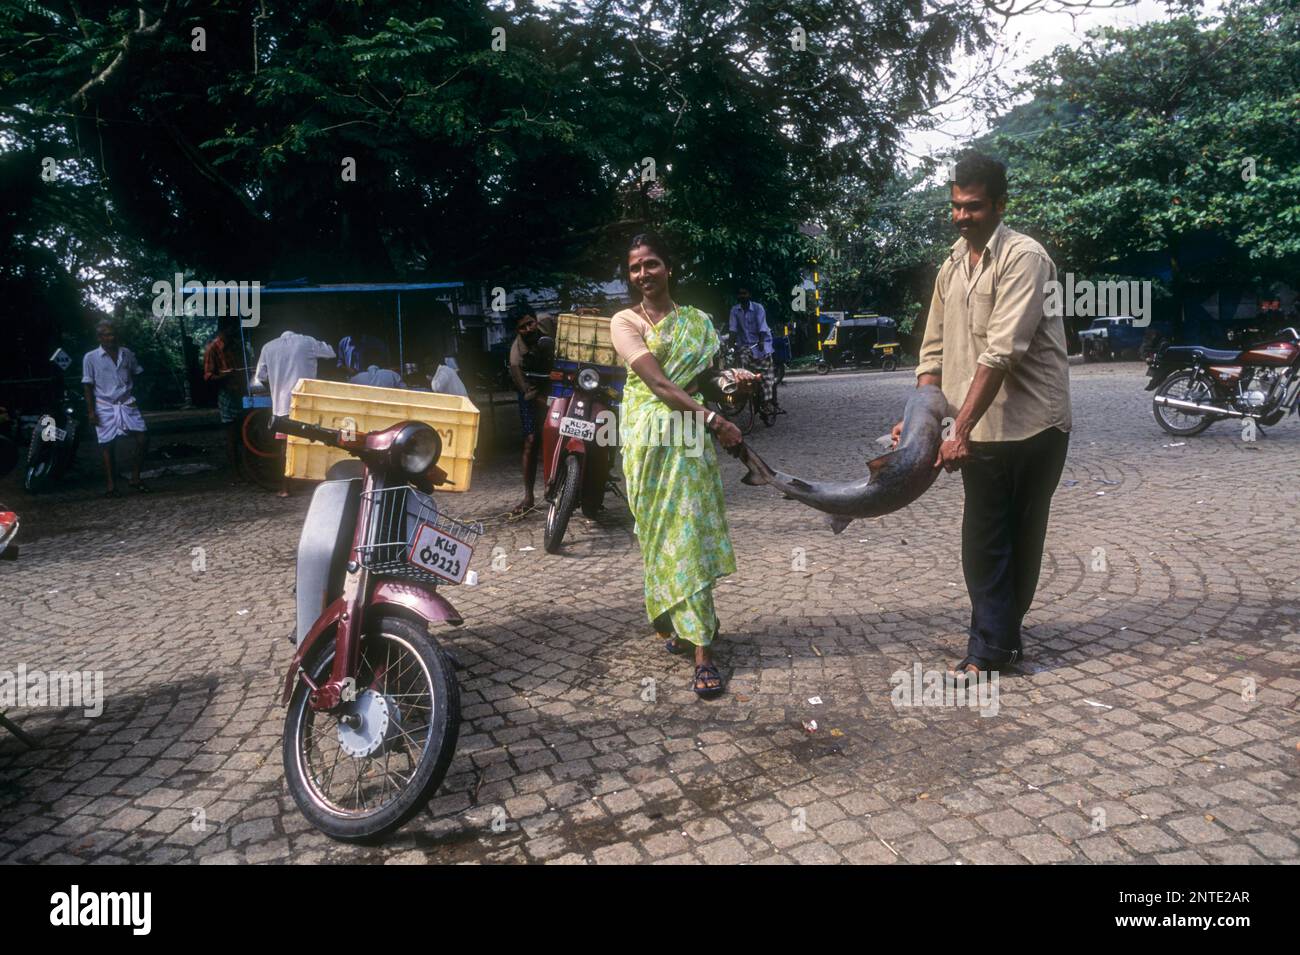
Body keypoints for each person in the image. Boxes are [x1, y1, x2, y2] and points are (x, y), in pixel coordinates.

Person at [895, 152, 1071, 686]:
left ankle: (994, 644)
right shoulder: (952, 264)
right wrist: (923, 422)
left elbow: (1001, 352)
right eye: (955, 206)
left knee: (1019, 534)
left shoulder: (1026, 258)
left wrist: (958, 428)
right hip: (979, 429)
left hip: (1034, 425)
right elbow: (932, 352)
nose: (961, 216)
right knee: (983, 537)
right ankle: (997, 642)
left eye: (973, 207)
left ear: (1000, 204)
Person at [612, 233, 759, 696]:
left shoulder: (696, 322)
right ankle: (668, 613)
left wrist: (733, 382)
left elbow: (704, 381)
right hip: (648, 439)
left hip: (688, 441)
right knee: (655, 531)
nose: (643, 274)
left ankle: (702, 650)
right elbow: (657, 383)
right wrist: (716, 420)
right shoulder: (623, 322)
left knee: (688, 533)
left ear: (668, 268)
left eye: (651, 264)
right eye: (635, 268)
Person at [253, 328, 336, 497]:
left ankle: (285, 488)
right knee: (313, 440)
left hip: (282, 406)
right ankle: (316, 484)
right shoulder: (307, 341)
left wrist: (277, 379)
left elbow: (260, 377)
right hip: (305, 403)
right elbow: (331, 353)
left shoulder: (268, 347)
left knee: (286, 446)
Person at [82, 319, 149, 497]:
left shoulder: (127, 354)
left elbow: (138, 374)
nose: (111, 337)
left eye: (113, 334)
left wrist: (137, 397)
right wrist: (91, 411)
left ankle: (135, 478)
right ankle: (112, 485)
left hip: (127, 402)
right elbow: (87, 385)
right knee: (107, 445)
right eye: (107, 334)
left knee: (143, 439)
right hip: (104, 405)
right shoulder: (90, 357)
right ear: (100, 337)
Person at [508, 310, 556, 515]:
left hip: (554, 380)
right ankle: (528, 496)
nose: (529, 329)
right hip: (532, 390)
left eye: (531, 324)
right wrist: (547, 404)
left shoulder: (547, 322)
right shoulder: (516, 358)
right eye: (523, 327)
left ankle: (560, 486)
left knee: (557, 434)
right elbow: (528, 392)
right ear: (517, 331)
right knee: (532, 439)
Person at [203, 317, 249, 481]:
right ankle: (236, 473)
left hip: (241, 392)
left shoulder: (237, 344)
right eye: (233, 328)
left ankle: (247, 469)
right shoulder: (213, 348)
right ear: (225, 329)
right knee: (231, 435)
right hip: (227, 393)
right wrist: (224, 375)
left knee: (245, 432)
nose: (235, 331)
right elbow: (208, 376)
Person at [729, 287, 779, 422]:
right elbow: (733, 330)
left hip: (761, 343)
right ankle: (744, 394)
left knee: (766, 375)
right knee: (742, 367)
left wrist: (762, 341)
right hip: (745, 346)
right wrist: (730, 347)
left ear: (749, 294)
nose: (742, 295)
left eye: (744, 293)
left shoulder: (758, 308)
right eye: (739, 293)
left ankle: (766, 402)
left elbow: (762, 326)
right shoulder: (735, 310)